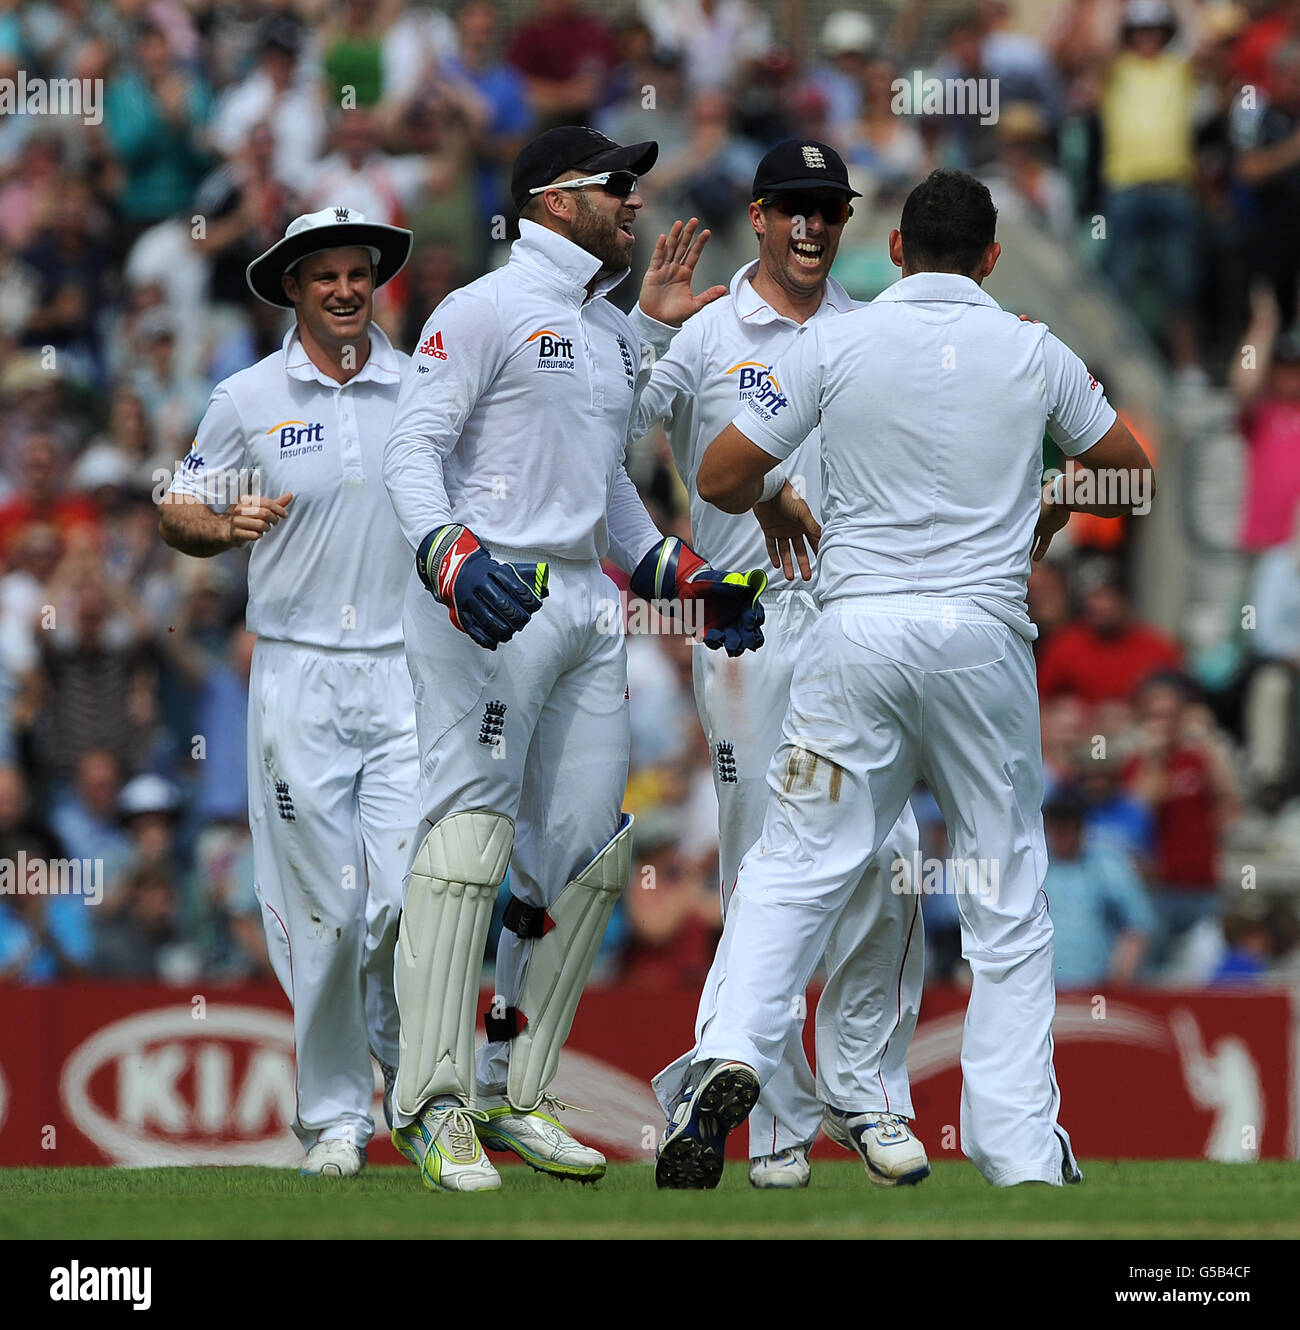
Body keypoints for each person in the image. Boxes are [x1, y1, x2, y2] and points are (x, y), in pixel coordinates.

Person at [655, 168, 1154, 1190]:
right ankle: (1016, 1148)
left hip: (856, 637)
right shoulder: (1029, 345)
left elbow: (714, 476)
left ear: (893, 250)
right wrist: (1054, 502)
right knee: (1005, 890)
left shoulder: (839, 340)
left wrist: (773, 501)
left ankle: (734, 1051)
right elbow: (1132, 472)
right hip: (980, 637)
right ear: (992, 258)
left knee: (795, 862)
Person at [383, 124, 763, 1193]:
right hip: (490, 592)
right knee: (467, 842)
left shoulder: (605, 330)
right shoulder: (484, 307)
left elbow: (603, 492)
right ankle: (429, 1101)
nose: (633, 202)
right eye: (615, 187)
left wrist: (678, 578)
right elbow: (412, 449)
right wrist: (447, 557)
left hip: (584, 604)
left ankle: (513, 1088)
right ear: (553, 200)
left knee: (587, 854)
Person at [635, 140, 927, 1191]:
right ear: (755, 218)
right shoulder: (706, 329)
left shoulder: (871, 332)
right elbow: (609, 429)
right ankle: (773, 1128)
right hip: (748, 624)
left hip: (858, 619)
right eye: (792, 207)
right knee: (770, 871)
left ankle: (876, 1096)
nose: (811, 227)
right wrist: (645, 329)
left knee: (888, 860)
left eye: (828, 210)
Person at [158, 205, 420, 1179]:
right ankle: (338, 1118)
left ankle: (401, 1050)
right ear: (295, 290)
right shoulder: (246, 394)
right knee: (326, 914)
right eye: (327, 279)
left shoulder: (423, 383)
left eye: (359, 275)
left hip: (406, 676)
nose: (346, 291)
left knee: (403, 898)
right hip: (297, 672)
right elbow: (178, 505)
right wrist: (222, 530)